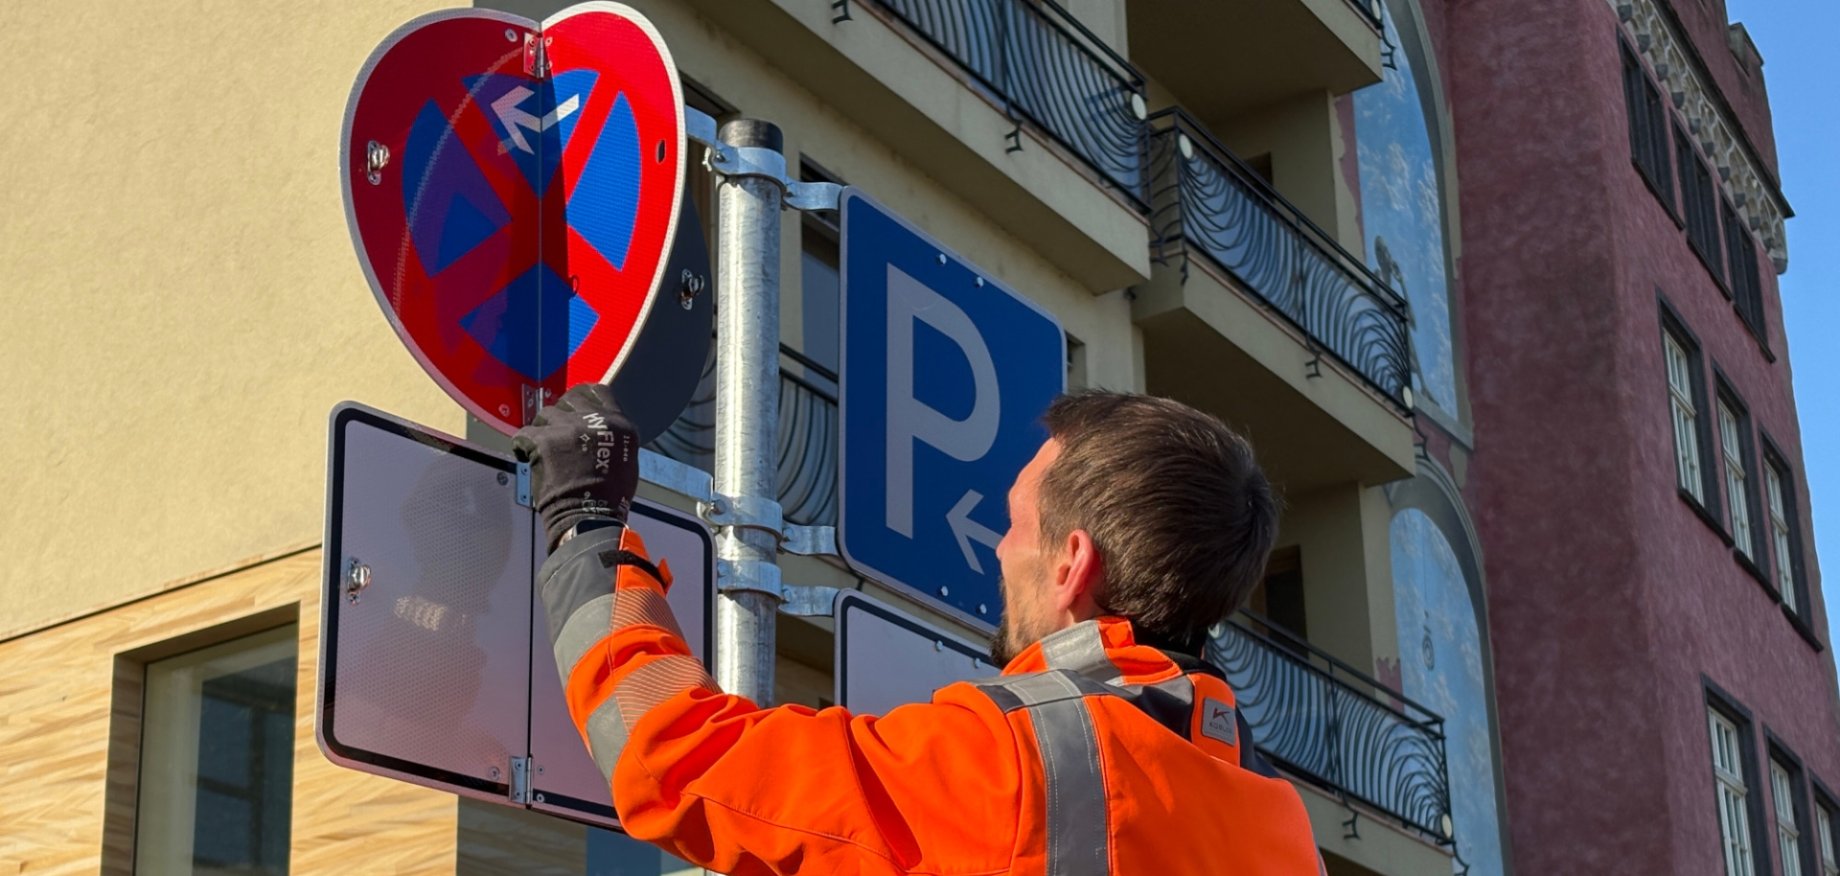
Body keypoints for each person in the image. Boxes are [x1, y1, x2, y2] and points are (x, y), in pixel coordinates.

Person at [514, 385, 1323, 875]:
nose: (1000, 551)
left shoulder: (1016, 761)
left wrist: (585, 525)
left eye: (1015, 524)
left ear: (1074, 563)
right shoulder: (1279, 821)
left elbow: (678, 758)